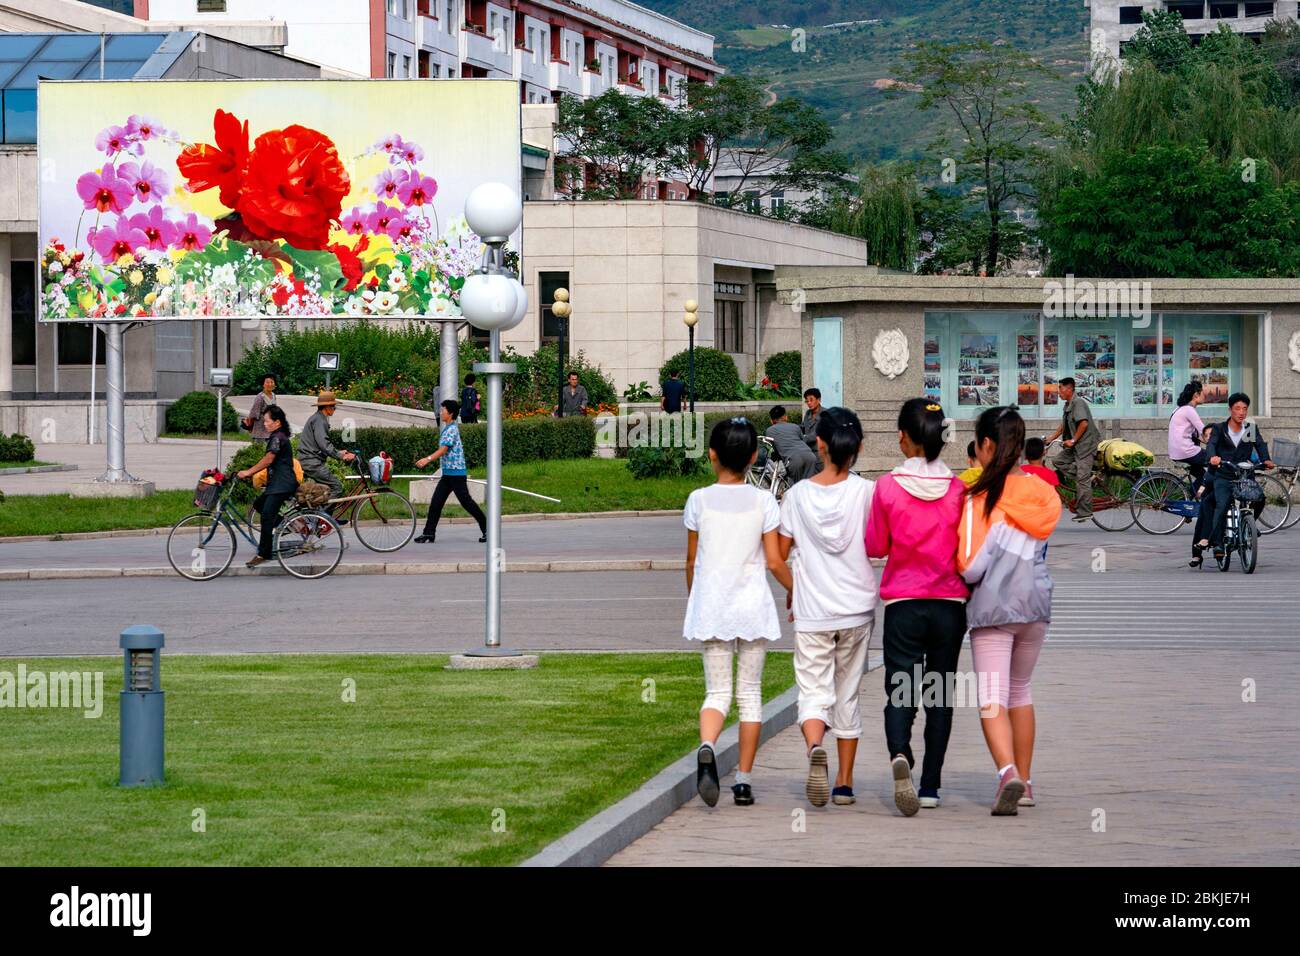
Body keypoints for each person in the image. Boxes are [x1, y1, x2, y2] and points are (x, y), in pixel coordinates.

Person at [684, 418, 794, 808]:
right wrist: (796, 590)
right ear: (753, 457)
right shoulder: (764, 501)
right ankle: (744, 780)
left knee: (716, 692)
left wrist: (696, 598)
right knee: (750, 695)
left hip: (713, 604)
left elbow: (692, 559)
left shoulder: (698, 499)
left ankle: (708, 744)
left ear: (711, 454)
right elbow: (775, 560)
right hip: (751, 607)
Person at [865, 399, 968, 815]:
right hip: (949, 604)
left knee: (900, 687)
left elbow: (875, 546)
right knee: (939, 694)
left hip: (904, 603)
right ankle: (930, 786)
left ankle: (898, 752)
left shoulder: (887, 487)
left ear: (903, 437)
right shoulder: (959, 490)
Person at [958, 406, 1062, 815]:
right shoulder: (1044, 495)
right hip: (1035, 605)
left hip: (993, 609)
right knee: (1021, 690)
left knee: (991, 698)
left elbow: (970, 566)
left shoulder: (979, 497)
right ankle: (1028, 780)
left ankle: (1006, 774)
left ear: (985, 445)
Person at [778, 407, 877, 808]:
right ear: (859, 449)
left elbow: (779, 553)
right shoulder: (868, 492)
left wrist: (794, 587)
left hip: (812, 611)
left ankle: (814, 747)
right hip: (856, 609)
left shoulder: (797, 496)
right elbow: (879, 542)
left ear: (819, 444)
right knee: (847, 693)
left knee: (812, 691)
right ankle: (844, 783)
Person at [1193, 392, 1276, 565]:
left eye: (1244, 409)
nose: (1241, 412)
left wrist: (1266, 460)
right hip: (1224, 474)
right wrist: (1213, 458)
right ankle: (1219, 544)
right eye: (1237, 408)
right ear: (1230, 409)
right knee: (1222, 505)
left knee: (1259, 498)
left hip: (1245, 476)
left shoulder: (1250, 429)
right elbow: (1212, 445)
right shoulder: (1219, 429)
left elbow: (1260, 445)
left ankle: (1249, 525)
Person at [415, 399, 488, 544]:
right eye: (441, 410)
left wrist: (427, 459)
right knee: (436, 503)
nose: (441, 412)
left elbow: (443, 450)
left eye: (443, 410)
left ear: (451, 413)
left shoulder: (452, 429)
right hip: (448, 474)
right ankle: (429, 533)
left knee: (467, 503)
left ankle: (488, 530)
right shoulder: (448, 428)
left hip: (456, 475)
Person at [236, 404, 299, 569]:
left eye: (267, 421)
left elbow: (268, 460)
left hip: (282, 484)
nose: (264, 424)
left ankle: (263, 553)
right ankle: (285, 525)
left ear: (277, 422)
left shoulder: (278, 437)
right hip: (277, 483)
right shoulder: (277, 435)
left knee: (266, 517)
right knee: (258, 505)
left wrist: (248, 472)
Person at [1045, 376, 1098, 522]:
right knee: (1058, 461)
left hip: (1085, 446)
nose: (1059, 391)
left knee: (1082, 479)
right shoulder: (1068, 404)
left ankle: (1086, 511)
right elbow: (1064, 425)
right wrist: (1051, 437)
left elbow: (1084, 424)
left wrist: (1073, 440)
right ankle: (1088, 480)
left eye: (1061, 388)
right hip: (1075, 445)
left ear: (1069, 388)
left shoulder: (1078, 403)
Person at [296, 391, 356, 520]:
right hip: (311, 462)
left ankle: (320, 517)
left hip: (308, 460)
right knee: (337, 486)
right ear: (327, 407)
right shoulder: (319, 420)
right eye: (333, 406)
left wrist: (339, 452)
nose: (334, 409)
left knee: (325, 489)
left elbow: (321, 444)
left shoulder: (318, 418)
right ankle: (321, 519)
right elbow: (324, 444)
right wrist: (341, 456)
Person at [765, 405, 819, 484]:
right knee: (808, 485)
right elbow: (803, 441)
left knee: (795, 487)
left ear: (771, 420)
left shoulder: (769, 431)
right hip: (810, 456)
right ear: (785, 417)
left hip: (794, 460)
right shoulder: (795, 427)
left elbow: (773, 449)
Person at [242, 374, 277, 442]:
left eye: (272, 382)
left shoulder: (273, 395)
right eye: (267, 382)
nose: (270, 384)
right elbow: (253, 414)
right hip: (260, 432)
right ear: (263, 384)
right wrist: (250, 427)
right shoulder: (260, 397)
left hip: (271, 431)